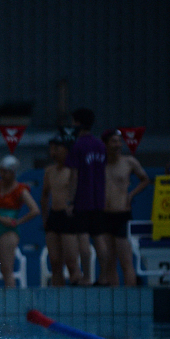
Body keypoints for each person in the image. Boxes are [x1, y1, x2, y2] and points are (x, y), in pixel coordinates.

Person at [0, 155, 40, 287]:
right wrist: (2, 219)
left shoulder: (20, 190)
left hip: (9, 232)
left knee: (6, 269)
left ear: (13, 173)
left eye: (5, 172)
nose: (2, 175)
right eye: (1, 171)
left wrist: (18, 222)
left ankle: (11, 299)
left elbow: (35, 210)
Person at [102, 129, 151, 286]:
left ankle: (130, 297)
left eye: (119, 141)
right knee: (109, 262)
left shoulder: (129, 162)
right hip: (104, 216)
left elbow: (145, 179)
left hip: (122, 215)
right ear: (105, 144)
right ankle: (114, 297)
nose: (117, 145)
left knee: (126, 261)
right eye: (113, 141)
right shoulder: (100, 164)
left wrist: (131, 195)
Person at [66, 108, 107, 285]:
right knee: (99, 238)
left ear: (77, 123)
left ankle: (87, 277)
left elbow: (74, 176)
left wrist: (70, 201)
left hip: (83, 199)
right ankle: (104, 277)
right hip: (98, 199)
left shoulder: (77, 146)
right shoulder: (101, 146)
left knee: (83, 238)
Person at [41, 135, 84, 286]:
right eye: (51, 149)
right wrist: (45, 218)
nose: (53, 152)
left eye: (56, 149)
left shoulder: (73, 171)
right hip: (54, 216)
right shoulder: (49, 171)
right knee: (55, 262)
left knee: (71, 262)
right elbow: (44, 195)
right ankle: (57, 296)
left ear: (66, 150)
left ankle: (76, 293)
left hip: (68, 217)